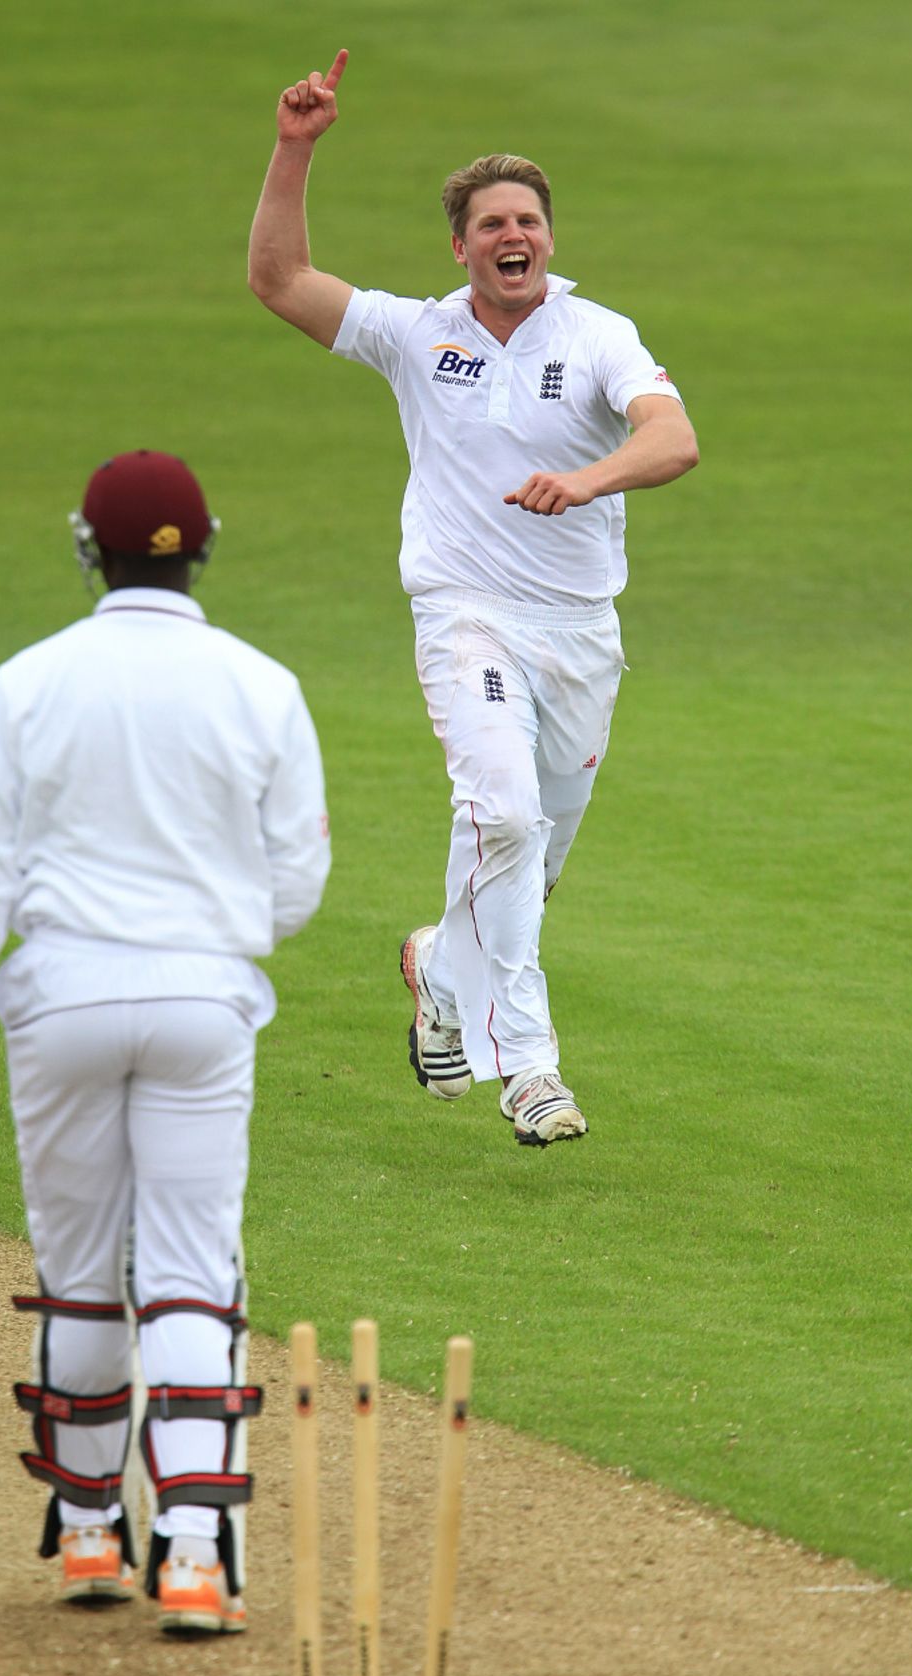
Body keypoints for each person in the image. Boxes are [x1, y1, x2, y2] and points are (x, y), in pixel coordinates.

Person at [0, 450, 330, 1634]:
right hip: (203, 1002)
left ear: (90, 550)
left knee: (81, 1277)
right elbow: (298, 881)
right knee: (191, 1270)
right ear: (207, 546)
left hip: (62, 1002)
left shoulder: (30, 680)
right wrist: (215, 930)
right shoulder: (264, 683)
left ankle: (89, 1533)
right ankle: (192, 1555)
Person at [248, 50, 698, 1147]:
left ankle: (439, 968)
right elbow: (280, 280)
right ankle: (531, 1070)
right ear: (461, 246)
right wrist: (295, 149)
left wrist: (585, 480)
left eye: (529, 221)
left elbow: (674, 438)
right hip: (466, 616)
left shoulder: (597, 336)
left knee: (528, 864)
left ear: (549, 238)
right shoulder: (418, 333)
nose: (514, 235)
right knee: (500, 816)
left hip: (579, 633)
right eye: (493, 222)